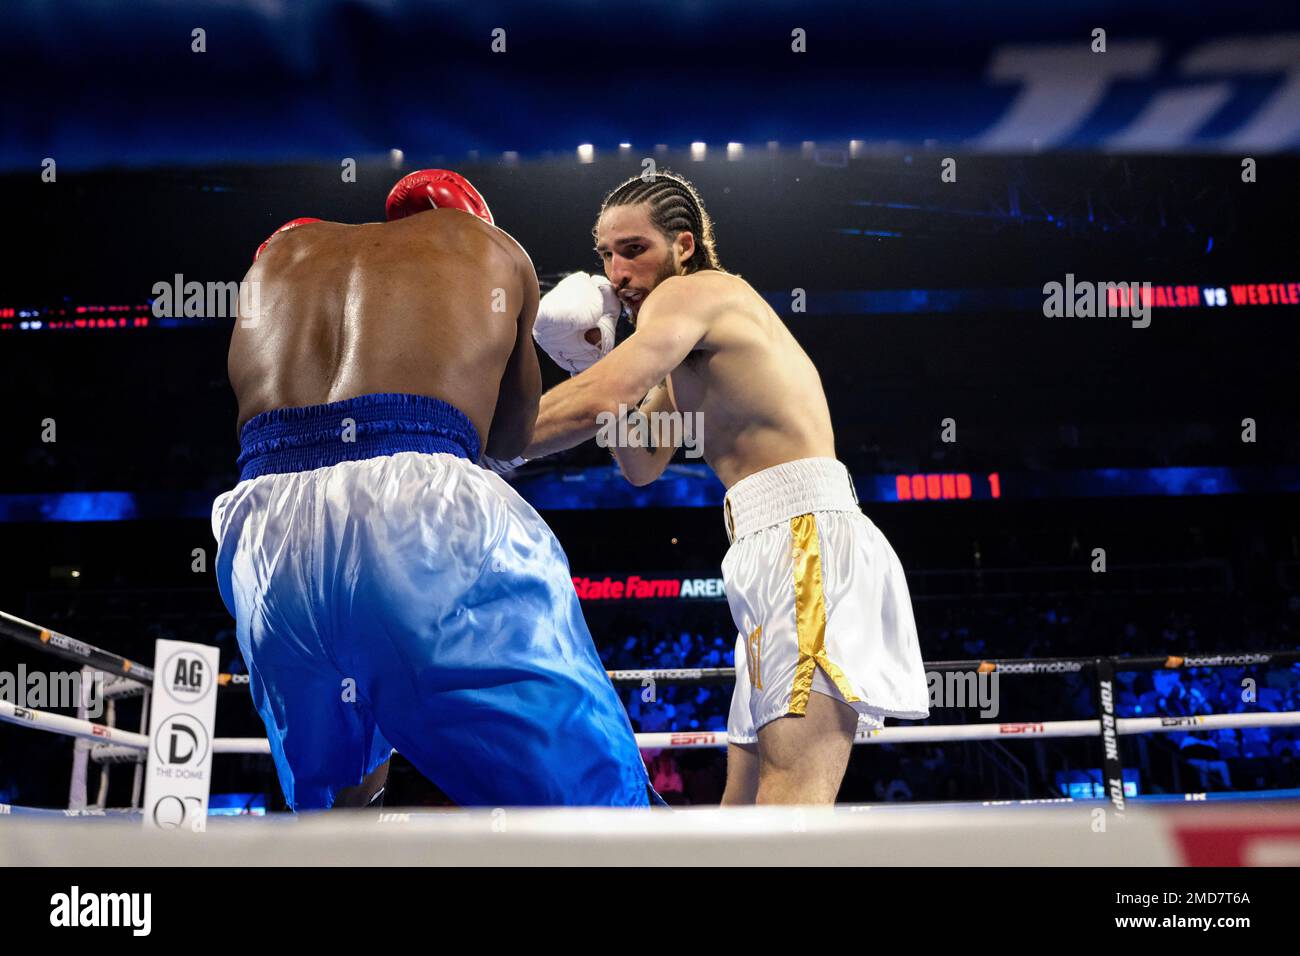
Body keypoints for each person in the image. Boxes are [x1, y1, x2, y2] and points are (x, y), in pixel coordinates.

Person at [212, 169, 653, 810]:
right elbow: (505, 440)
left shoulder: (279, 255)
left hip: (262, 527)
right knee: (591, 794)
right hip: (416, 505)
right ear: (477, 215)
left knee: (335, 810)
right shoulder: (492, 250)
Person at [522, 171, 930, 804]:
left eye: (634, 249)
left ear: (683, 245)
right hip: (768, 550)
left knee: (791, 800)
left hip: (804, 540)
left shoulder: (692, 295)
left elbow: (604, 399)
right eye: (605, 253)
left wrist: (471, 443)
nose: (617, 271)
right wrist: (593, 357)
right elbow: (641, 462)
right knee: (740, 815)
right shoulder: (682, 348)